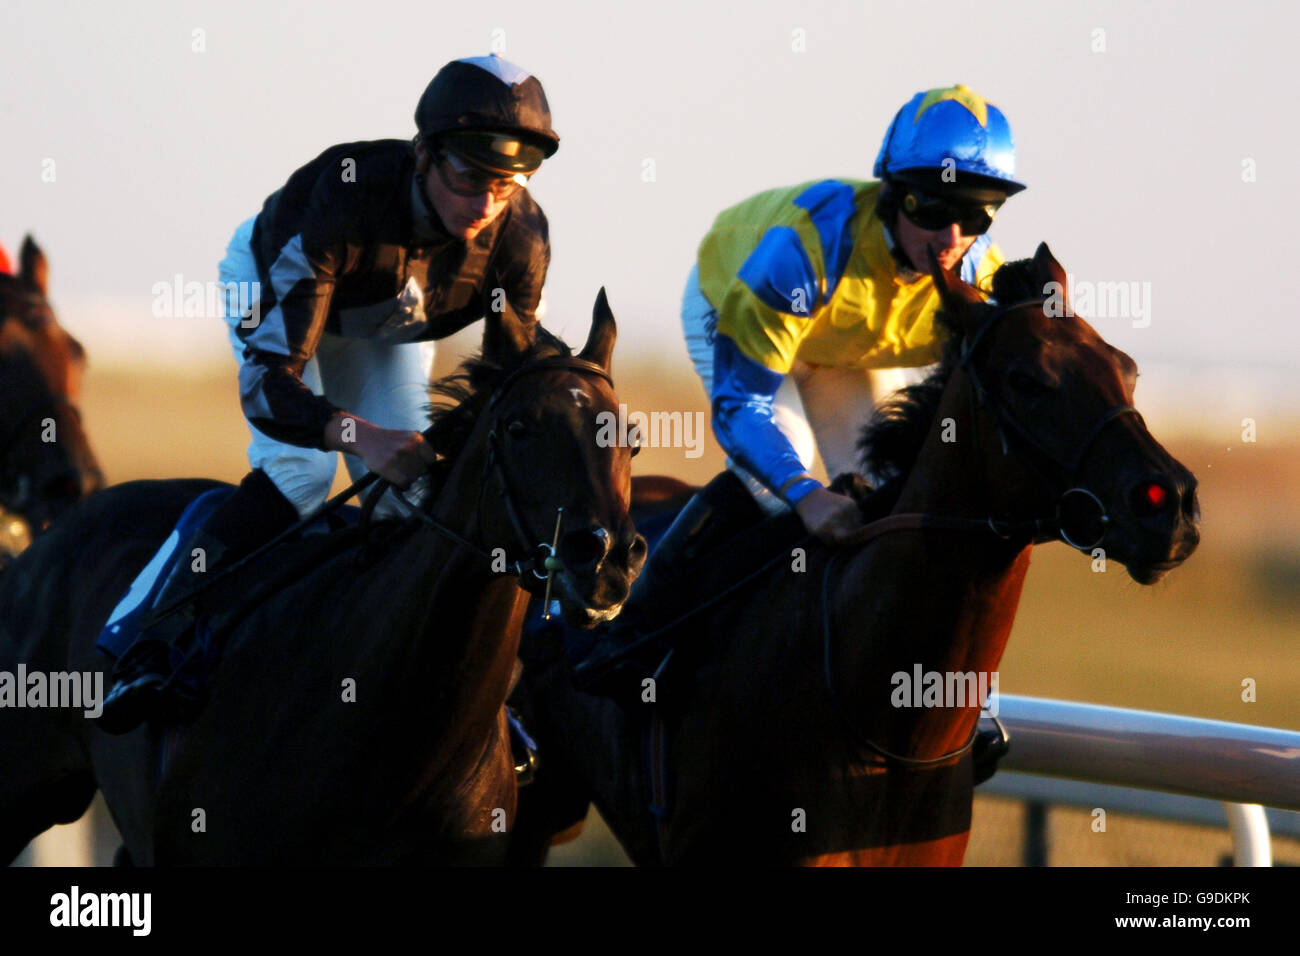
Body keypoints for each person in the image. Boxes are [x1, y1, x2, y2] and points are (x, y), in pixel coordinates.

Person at [99, 53, 560, 733]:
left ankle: (471, 696)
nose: (488, 203)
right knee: (302, 473)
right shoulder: (342, 199)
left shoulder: (522, 238)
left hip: (387, 327)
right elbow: (269, 390)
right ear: (424, 155)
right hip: (283, 299)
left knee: (414, 499)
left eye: (511, 182)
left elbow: (511, 383)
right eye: (469, 177)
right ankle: (141, 636)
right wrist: (362, 437)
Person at [574, 84, 1026, 689]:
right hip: (737, 307)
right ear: (893, 194)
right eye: (931, 210)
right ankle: (635, 634)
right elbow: (743, 407)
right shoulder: (806, 249)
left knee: (893, 498)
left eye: (975, 216)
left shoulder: (977, 277)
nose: (950, 239)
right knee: (784, 491)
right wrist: (806, 495)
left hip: (841, 346)